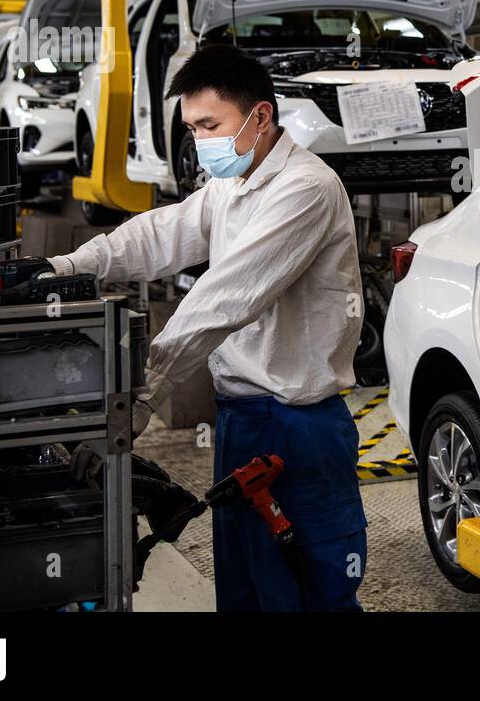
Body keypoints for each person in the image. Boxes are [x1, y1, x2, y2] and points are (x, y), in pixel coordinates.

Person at [49, 43, 367, 611]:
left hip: (300, 428)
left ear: (260, 117)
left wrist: (137, 399)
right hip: (241, 420)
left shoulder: (305, 190)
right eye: (192, 128)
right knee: (244, 588)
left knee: (313, 591)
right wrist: (66, 267)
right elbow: (157, 235)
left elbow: (223, 301)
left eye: (208, 125)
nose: (200, 142)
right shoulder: (233, 184)